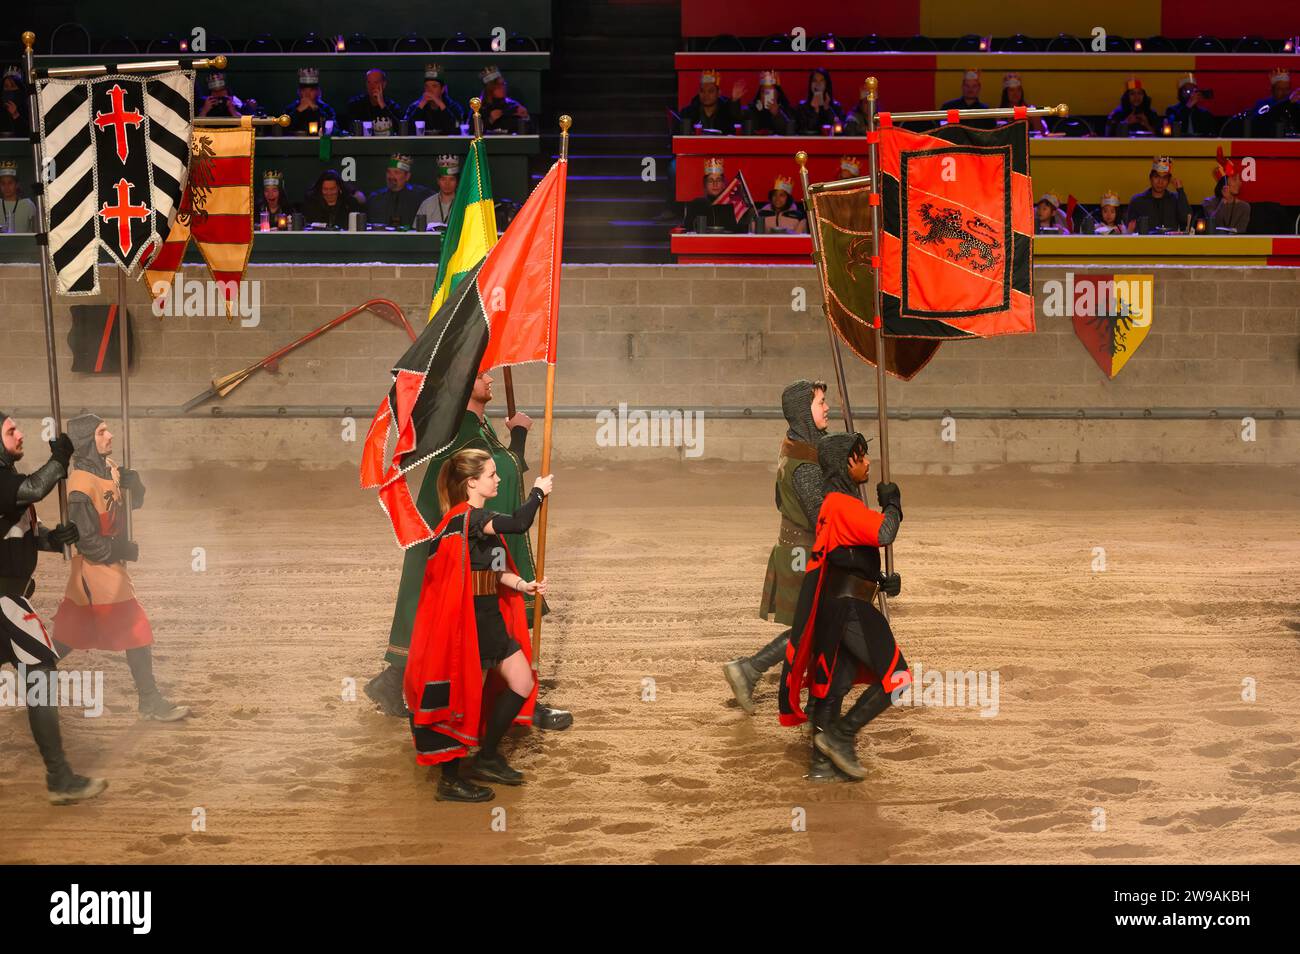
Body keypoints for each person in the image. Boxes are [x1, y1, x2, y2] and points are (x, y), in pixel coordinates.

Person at [365, 371, 572, 733]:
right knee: (474, 621)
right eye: (481, 374)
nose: (490, 378)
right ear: (462, 384)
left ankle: (396, 681)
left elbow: (497, 468)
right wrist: (524, 455)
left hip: (463, 544)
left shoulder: (474, 424)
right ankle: (516, 702)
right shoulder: (461, 426)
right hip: (458, 544)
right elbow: (502, 469)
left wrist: (514, 436)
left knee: (448, 617)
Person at [405, 449, 552, 802]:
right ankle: (450, 780)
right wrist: (538, 493)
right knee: (462, 697)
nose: (497, 479)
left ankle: (487, 756)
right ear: (472, 482)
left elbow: (498, 569)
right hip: (466, 628)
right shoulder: (465, 520)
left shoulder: (479, 524)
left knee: (521, 682)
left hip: (490, 622)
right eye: (491, 474)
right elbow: (519, 523)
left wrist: (522, 585)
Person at [778, 432, 906, 781]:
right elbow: (884, 533)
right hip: (850, 608)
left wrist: (881, 580)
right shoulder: (839, 503)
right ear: (847, 463)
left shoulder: (839, 506)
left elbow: (846, 558)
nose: (867, 463)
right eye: (862, 457)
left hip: (842, 602)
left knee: (835, 685)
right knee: (898, 677)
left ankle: (822, 767)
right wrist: (893, 503)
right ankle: (841, 736)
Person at [50, 415, 189, 723]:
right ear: (87, 441)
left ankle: (28, 672)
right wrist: (119, 550)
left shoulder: (109, 467)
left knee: (69, 635)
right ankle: (150, 701)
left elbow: (128, 506)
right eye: (102, 432)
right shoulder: (79, 487)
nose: (110, 435)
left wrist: (136, 486)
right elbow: (86, 542)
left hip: (106, 568)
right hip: (96, 570)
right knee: (136, 628)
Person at [0, 414, 106, 804]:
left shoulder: (7, 484)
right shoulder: (5, 483)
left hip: (10, 596)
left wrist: (53, 538)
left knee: (37, 673)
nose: (20, 433)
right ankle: (60, 778)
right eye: (10, 431)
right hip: (3, 601)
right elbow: (32, 487)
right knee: (41, 670)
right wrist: (59, 462)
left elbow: (21, 533)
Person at [724, 380, 829, 718]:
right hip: (804, 552)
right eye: (821, 402)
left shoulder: (795, 447)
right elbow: (821, 516)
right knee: (813, 627)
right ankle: (750, 669)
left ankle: (778, 676)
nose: (827, 407)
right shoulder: (805, 461)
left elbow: (779, 500)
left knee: (814, 625)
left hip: (794, 547)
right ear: (803, 412)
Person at [681, 157, 750, 232]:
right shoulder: (696, 204)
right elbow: (687, 230)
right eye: (710, 181)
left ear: (724, 184)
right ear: (705, 185)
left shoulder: (733, 205)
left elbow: (741, 232)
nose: (715, 184)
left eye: (718, 180)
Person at [1126, 156, 1191, 233]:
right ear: (1150, 178)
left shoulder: (1175, 199)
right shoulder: (1137, 201)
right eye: (1157, 177)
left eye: (1164, 178)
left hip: (1171, 243)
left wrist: (1180, 191)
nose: (1160, 182)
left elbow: (1186, 221)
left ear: (1169, 181)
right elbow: (1130, 230)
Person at [364, 154, 431, 228]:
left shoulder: (420, 197)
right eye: (389, 172)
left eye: (396, 172)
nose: (391, 176)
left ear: (407, 176)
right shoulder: (375, 199)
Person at [403, 63, 464, 136]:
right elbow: (407, 131)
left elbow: (456, 131)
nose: (429, 91)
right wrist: (420, 106)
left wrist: (441, 104)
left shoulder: (454, 107)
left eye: (434, 86)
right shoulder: (414, 107)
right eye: (427, 86)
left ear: (442, 89)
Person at [678, 68, 743, 133]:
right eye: (702, 91)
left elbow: (735, 118)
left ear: (718, 93)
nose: (706, 95)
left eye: (711, 91)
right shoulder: (688, 113)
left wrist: (735, 101)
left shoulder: (726, 112)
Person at [1203, 151, 1251, 233]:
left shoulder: (1244, 207)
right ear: (1224, 183)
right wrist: (1223, 202)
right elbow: (1212, 225)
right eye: (1235, 179)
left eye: (1239, 180)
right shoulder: (1209, 202)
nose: (1239, 183)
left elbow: (1241, 230)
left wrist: (1230, 200)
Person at [343, 68, 403, 132]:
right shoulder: (355, 105)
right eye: (369, 82)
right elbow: (351, 131)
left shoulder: (392, 107)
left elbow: (399, 130)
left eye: (376, 82)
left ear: (384, 85)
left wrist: (383, 106)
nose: (372, 87)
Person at [1249, 67, 1300, 138]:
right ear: (1272, 89)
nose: (1284, 92)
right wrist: (1288, 102)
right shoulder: (1264, 103)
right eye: (1280, 89)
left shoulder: (1294, 104)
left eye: (1287, 89)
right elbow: (1261, 120)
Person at [284, 67, 335, 134]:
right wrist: (298, 111)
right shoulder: (290, 109)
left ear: (318, 92)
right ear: (299, 92)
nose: (307, 94)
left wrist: (316, 109)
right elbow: (283, 130)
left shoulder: (326, 109)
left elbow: (331, 130)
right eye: (304, 90)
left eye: (311, 90)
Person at [478, 66, 530, 133]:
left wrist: (526, 117)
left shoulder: (512, 105)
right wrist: (490, 120)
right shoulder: (479, 108)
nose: (503, 88)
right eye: (498, 85)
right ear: (490, 89)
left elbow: (526, 132)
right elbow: (471, 132)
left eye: (503, 84)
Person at [794, 68, 844, 134]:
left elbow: (839, 131)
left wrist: (827, 109)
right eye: (814, 81)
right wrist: (815, 112)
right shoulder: (802, 107)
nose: (818, 84)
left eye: (821, 81)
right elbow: (805, 132)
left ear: (826, 84)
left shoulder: (836, 107)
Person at [415, 155, 460, 226]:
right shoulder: (427, 205)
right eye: (443, 179)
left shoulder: (464, 204)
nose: (447, 183)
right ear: (438, 181)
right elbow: (417, 232)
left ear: (457, 182)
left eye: (451, 179)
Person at [747, 70, 795, 135]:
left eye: (770, 92)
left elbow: (788, 131)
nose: (766, 96)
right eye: (764, 92)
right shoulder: (753, 108)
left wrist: (777, 114)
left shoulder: (784, 108)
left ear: (777, 94)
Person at [0, 160, 37, 233]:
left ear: (17, 184)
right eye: (3, 183)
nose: (6, 187)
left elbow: (36, 232)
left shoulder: (28, 205)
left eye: (10, 183)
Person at [1, 65, 31, 138]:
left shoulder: (30, 109)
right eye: (6, 86)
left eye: (13, 86)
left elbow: (29, 135)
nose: (9, 90)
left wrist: (16, 115)